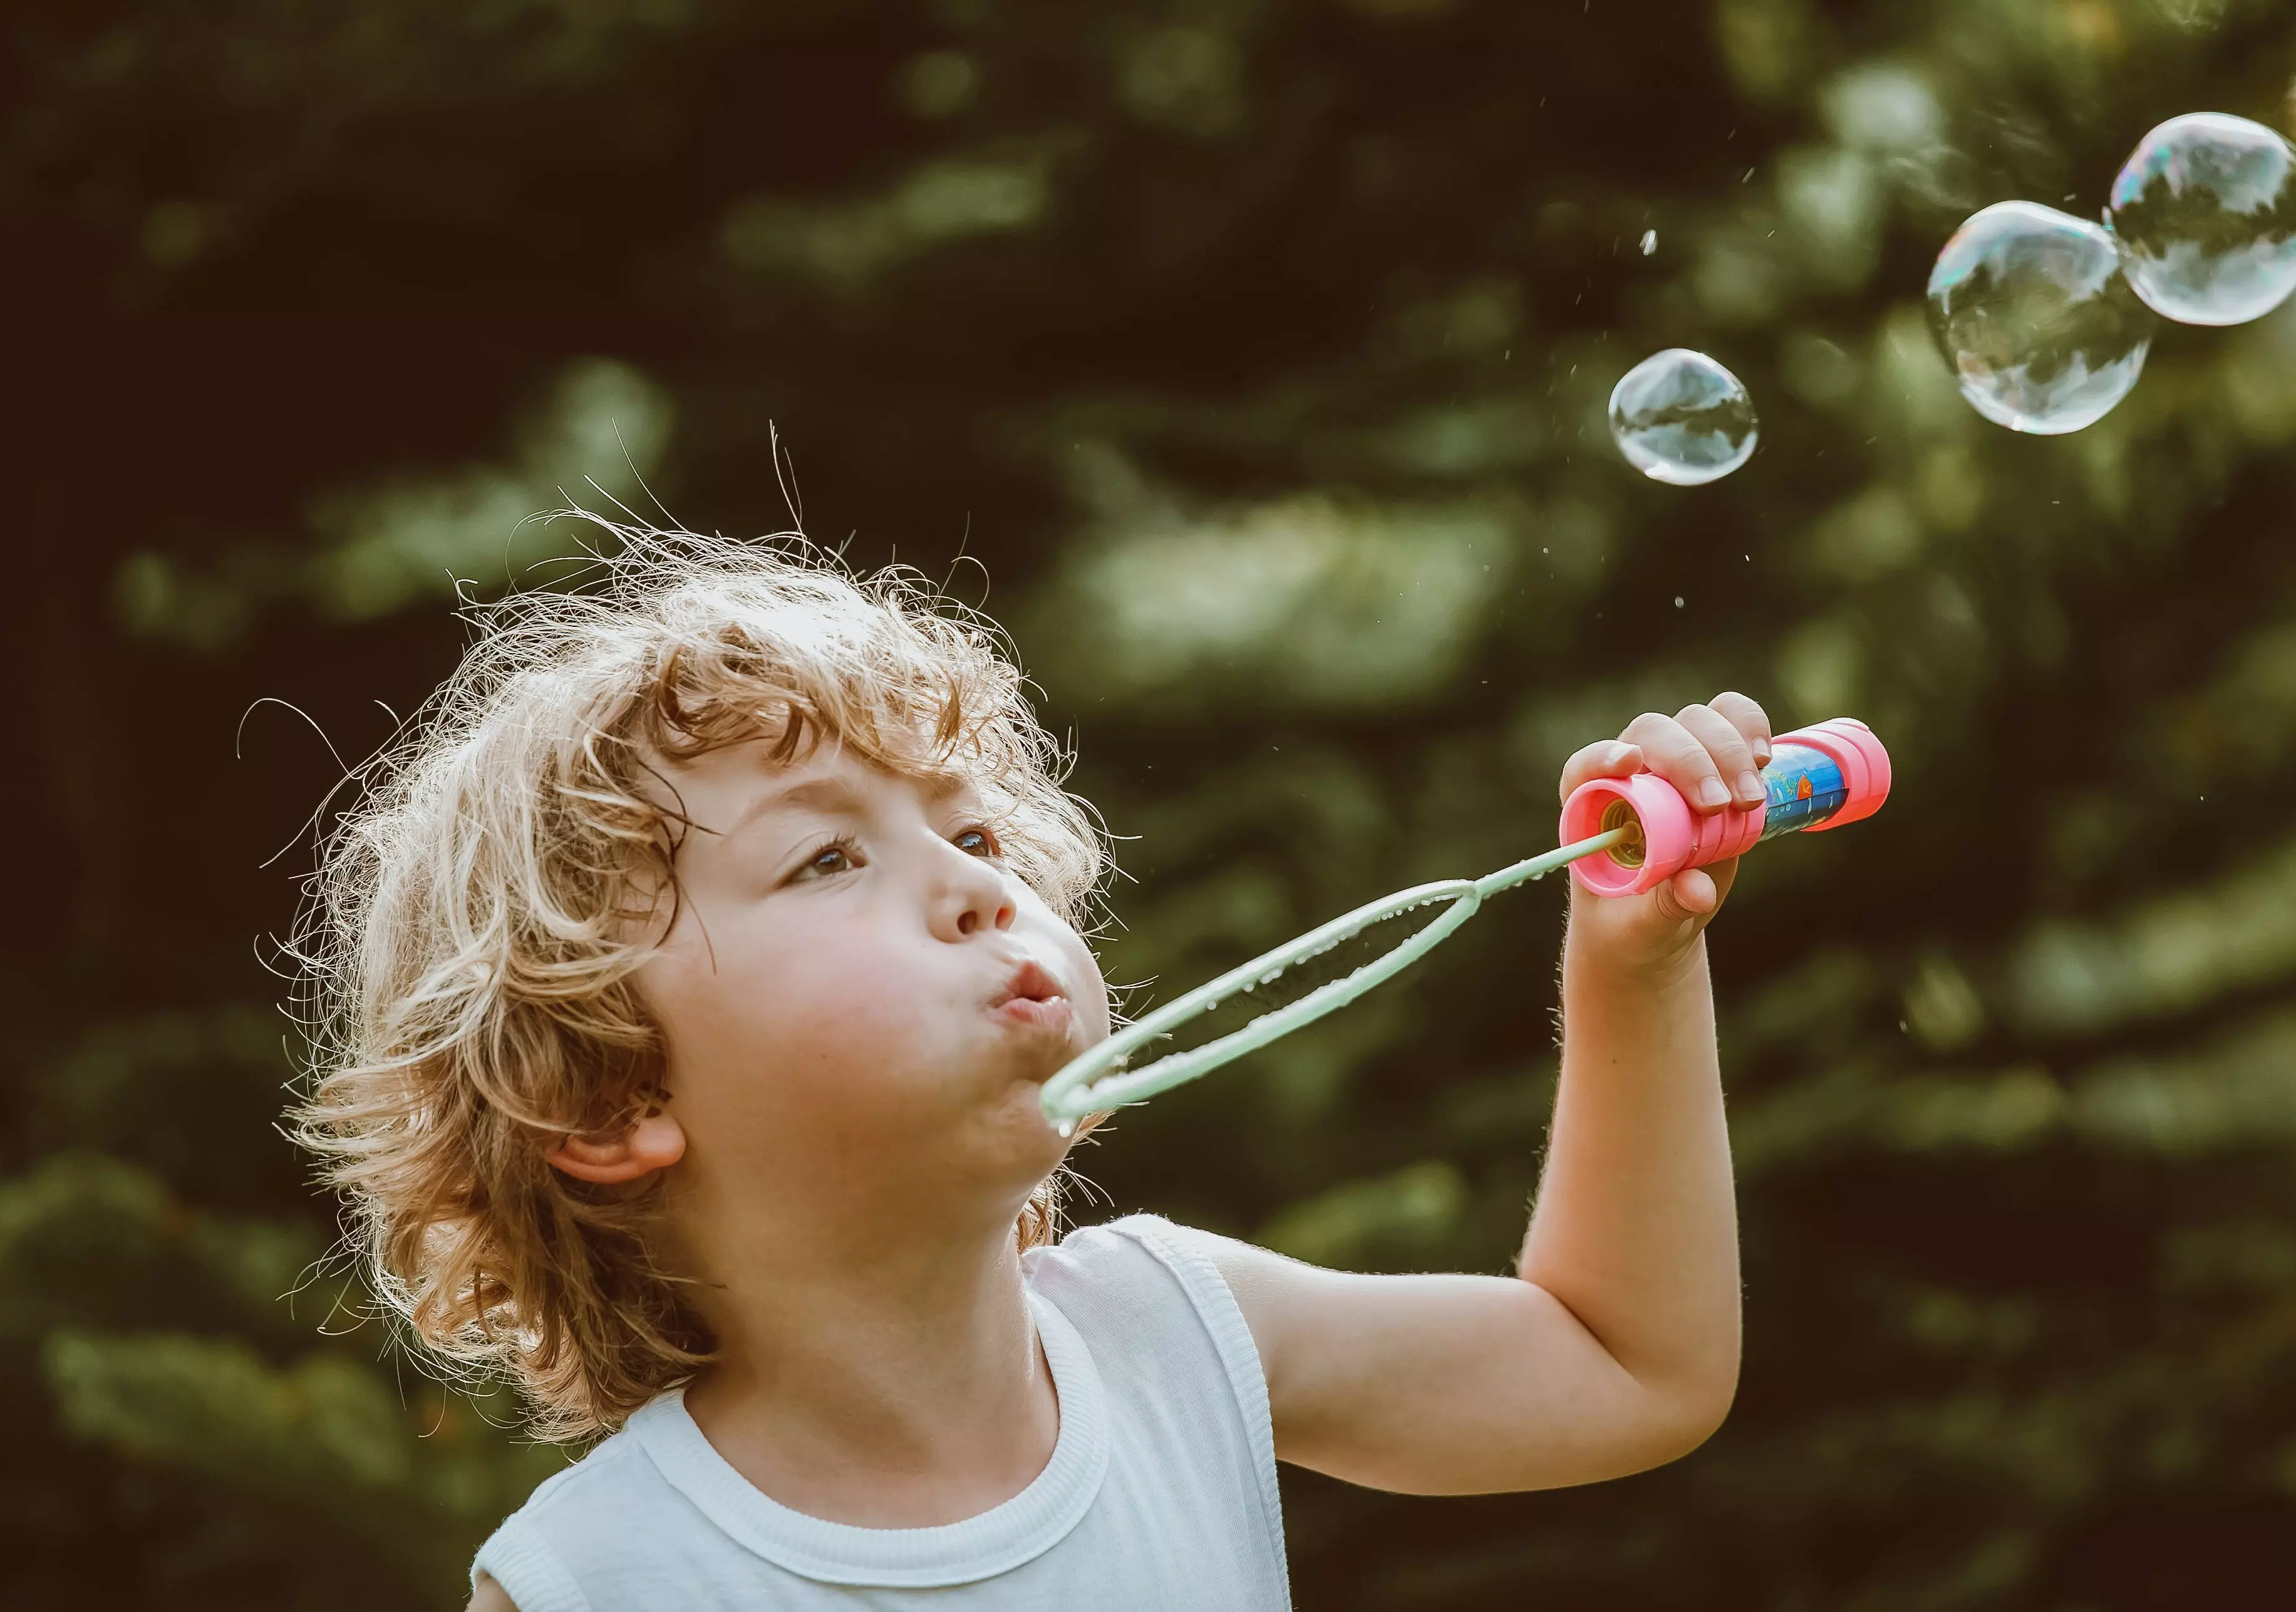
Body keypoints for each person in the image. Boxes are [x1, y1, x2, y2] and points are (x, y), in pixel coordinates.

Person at [291, 520, 1759, 1611]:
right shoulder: (602, 1584)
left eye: (975, 834)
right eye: (825, 858)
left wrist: (1633, 966)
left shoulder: (1175, 1338)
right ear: (610, 1099)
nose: (974, 886)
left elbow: (1628, 1365)